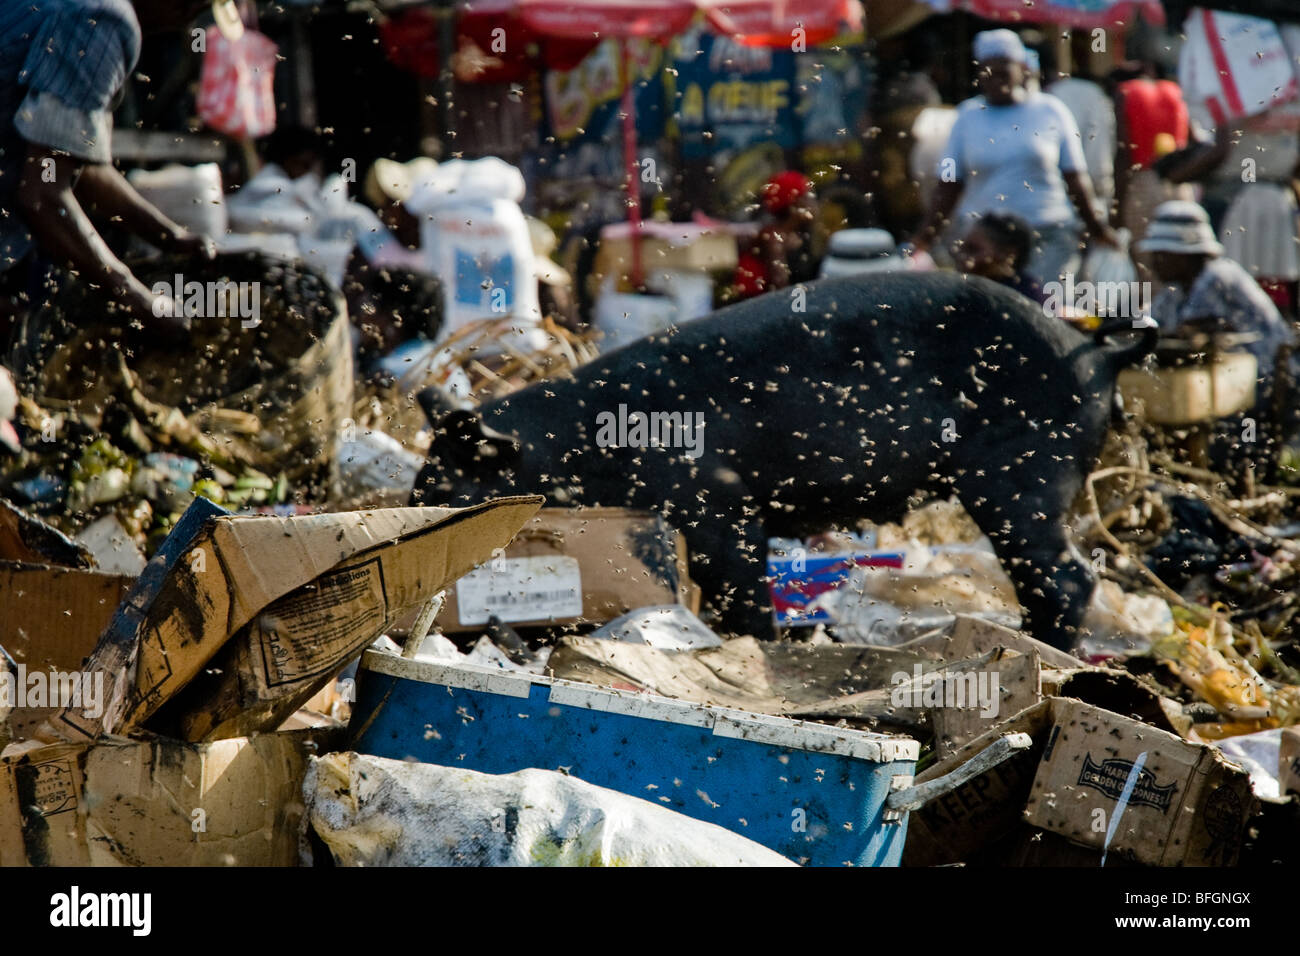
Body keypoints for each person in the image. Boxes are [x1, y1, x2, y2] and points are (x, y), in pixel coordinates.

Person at [0, 0, 219, 349]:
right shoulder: (106, 20)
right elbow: (41, 195)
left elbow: (72, 161)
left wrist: (170, 237)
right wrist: (141, 301)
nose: (194, 11)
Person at [909, 30, 1118, 286]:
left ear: (1022, 69)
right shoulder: (966, 118)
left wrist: (1098, 230)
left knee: (1042, 311)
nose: (995, 80)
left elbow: (1075, 177)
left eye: (1003, 72)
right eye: (987, 73)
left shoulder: (1051, 111)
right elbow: (950, 182)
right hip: (986, 242)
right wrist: (923, 238)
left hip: (1047, 236)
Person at [1137, 201, 1295, 477]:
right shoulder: (1177, 289)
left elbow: (1183, 331)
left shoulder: (1217, 276)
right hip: (1235, 381)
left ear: (1185, 255)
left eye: (1161, 254)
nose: (1153, 262)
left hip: (1267, 381)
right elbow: (1147, 323)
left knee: (1217, 439)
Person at [1040, 43, 1116, 227]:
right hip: (1074, 205)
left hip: (1069, 208)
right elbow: (1099, 163)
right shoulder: (1088, 93)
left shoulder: (1074, 96)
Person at [733, 171, 819, 299]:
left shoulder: (798, 235)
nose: (815, 204)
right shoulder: (773, 239)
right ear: (795, 205)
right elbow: (783, 290)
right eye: (808, 197)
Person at [954, 213, 1046, 306]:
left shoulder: (1027, 299)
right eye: (962, 247)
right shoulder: (968, 287)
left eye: (973, 249)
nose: (960, 255)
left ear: (1008, 255)